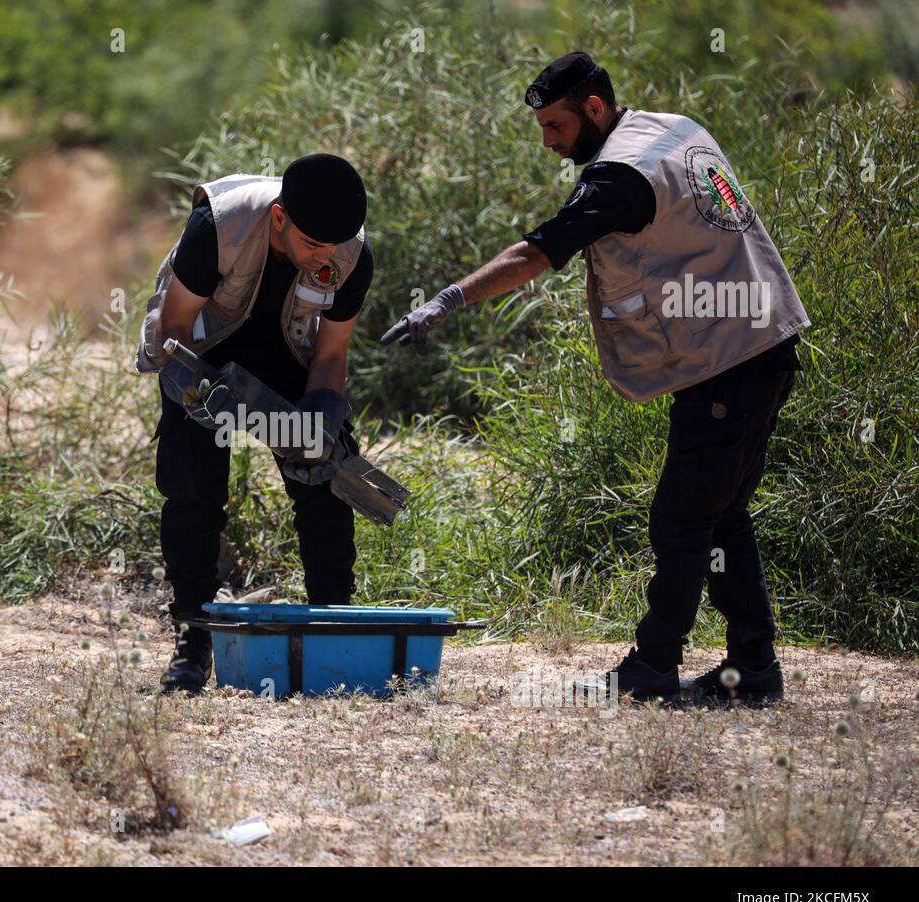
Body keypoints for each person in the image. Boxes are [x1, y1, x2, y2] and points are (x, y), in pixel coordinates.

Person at [382, 53, 809, 703]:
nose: (548, 142)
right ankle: (753, 670)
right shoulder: (672, 129)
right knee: (720, 517)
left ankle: (655, 667)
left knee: (681, 521)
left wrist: (445, 301)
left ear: (594, 109)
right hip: (764, 337)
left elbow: (536, 252)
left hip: (728, 359)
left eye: (555, 126)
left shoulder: (619, 178)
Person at [135, 154, 374, 695]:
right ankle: (192, 642)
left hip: (289, 354)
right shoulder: (218, 224)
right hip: (200, 349)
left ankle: (333, 629)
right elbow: (174, 330)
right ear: (280, 218)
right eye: (313, 244)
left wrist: (319, 419)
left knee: (324, 478)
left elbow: (332, 354)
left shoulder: (350, 253)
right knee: (193, 491)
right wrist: (205, 396)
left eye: (333, 248)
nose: (324, 258)